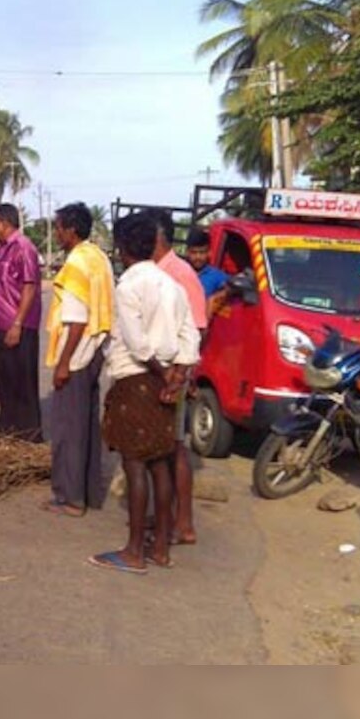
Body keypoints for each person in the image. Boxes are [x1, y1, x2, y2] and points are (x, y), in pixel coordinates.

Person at [90, 212, 199, 574]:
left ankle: (135, 551)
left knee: (135, 463)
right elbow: (190, 336)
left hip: (138, 379)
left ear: (122, 249)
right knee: (160, 463)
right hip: (166, 381)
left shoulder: (129, 286)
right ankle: (161, 549)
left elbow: (136, 343)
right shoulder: (173, 285)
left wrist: (164, 372)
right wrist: (177, 374)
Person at [42, 202, 115, 516]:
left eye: (58, 227)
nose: (56, 233)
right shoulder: (98, 257)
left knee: (68, 429)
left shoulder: (75, 264)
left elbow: (76, 319)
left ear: (71, 230)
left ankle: (70, 498)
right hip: (97, 351)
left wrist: (63, 363)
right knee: (86, 426)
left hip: (78, 354)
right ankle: (88, 492)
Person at [149, 209, 206, 545]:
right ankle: (167, 516)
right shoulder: (158, 271)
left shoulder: (180, 274)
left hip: (174, 373)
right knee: (164, 448)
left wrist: (183, 374)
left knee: (174, 448)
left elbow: (199, 327)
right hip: (161, 372)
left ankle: (182, 523)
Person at [0, 203, 43, 443]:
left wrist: (17, 323)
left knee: (22, 385)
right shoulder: (2, 249)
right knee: (6, 385)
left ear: (3, 223)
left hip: (18, 327)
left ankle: (28, 438)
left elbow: (30, 286)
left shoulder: (23, 247)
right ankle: (8, 434)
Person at [185, 226, 228, 317]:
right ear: (187, 252)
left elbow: (232, 286)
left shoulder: (216, 276)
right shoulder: (179, 271)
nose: (198, 257)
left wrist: (216, 297)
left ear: (209, 253)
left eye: (202, 252)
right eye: (194, 252)